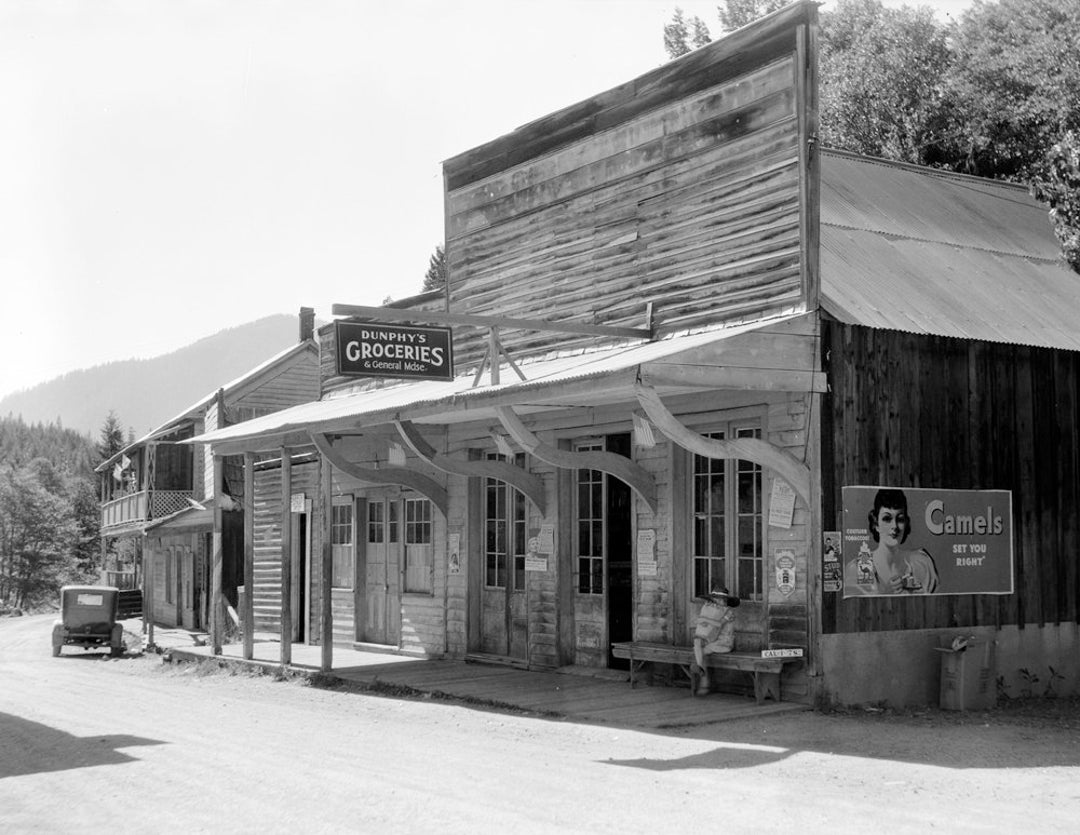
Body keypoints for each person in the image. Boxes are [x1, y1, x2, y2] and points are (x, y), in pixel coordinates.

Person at [844, 488, 939, 596]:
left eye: (900, 519)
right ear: (876, 524)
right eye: (887, 519)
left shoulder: (921, 564)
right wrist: (884, 593)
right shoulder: (859, 567)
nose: (894, 526)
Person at [691, 582, 740, 695]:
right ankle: (700, 671)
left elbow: (718, 624)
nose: (717, 601)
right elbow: (709, 627)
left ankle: (704, 680)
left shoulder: (729, 612)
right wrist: (703, 620)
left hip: (724, 644)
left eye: (719, 599)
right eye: (715, 599)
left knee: (700, 653)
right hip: (715, 641)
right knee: (697, 643)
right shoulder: (715, 610)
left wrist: (704, 620)